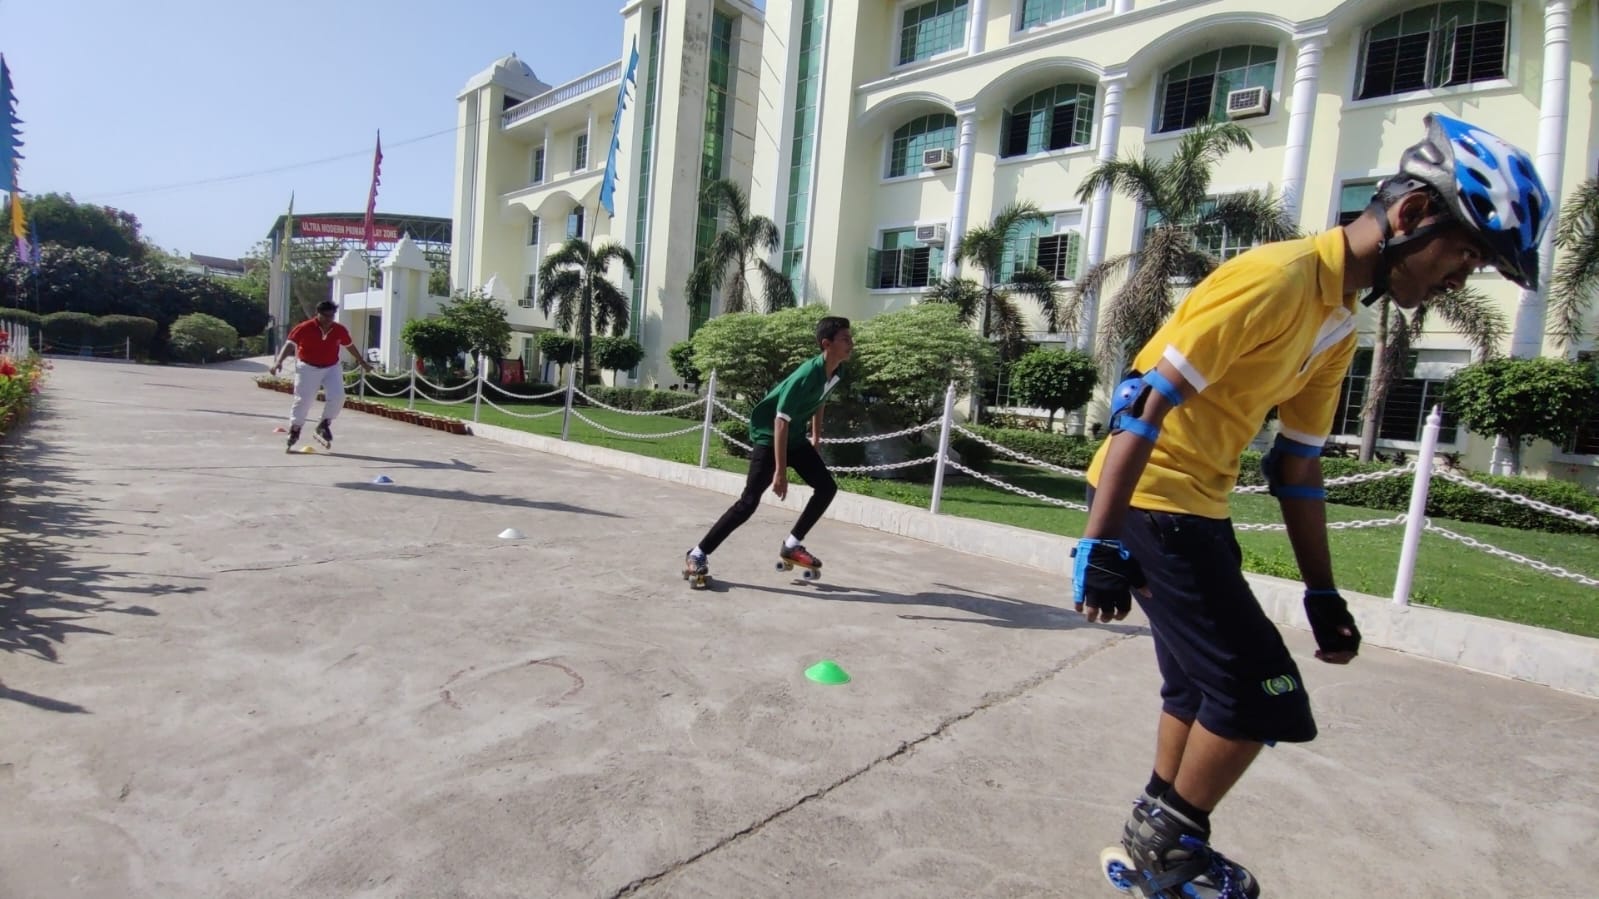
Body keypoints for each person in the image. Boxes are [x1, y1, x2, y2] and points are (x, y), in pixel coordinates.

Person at [1072, 112, 1551, 897]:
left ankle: (1151, 839)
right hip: (1149, 497)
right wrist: (1096, 545)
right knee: (1261, 696)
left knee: (1197, 685)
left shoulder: (1339, 318)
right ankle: (1171, 855)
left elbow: (1295, 465)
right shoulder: (1279, 277)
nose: (1461, 279)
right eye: (1465, 253)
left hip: (1194, 507)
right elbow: (1140, 405)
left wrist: (1322, 591)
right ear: (1411, 215)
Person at [684, 315, 853, 586]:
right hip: (768, 435)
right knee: (748, 503)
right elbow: (779, 421)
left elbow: (821, 400)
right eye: (845, 339)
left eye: (850, 338)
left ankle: (792, 544)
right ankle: (697, 553)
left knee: (826, 488)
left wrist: (816, 435)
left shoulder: (836, 372)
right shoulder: (806, 374)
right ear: (827, 344)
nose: (851, 344)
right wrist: (780, 472)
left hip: (796, 437)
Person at [269, 300, 374, 451]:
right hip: (307, 367)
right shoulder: (304, 327)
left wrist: (362, 362)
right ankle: (295, 429)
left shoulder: (339, 329)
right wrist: (278, 362)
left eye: (331, 316)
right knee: (303, 400)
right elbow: (290, 344)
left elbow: (349, 346)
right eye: (325, 316)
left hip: (331, 367)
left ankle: (324, 423)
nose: (328, 320)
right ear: (317, 314)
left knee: (338, 397)